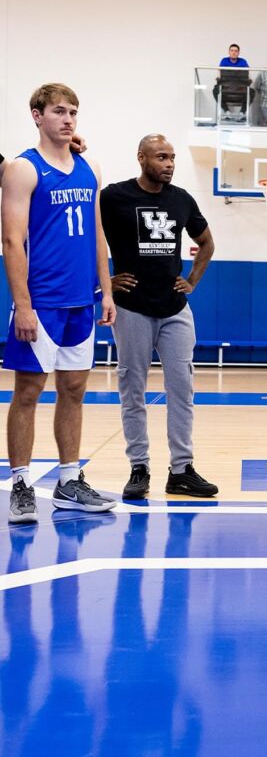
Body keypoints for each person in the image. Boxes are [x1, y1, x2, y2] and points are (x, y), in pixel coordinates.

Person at [2, 83, 117, 524]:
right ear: (37, 116)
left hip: (80, 304)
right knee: (28, 392)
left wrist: (105, 291)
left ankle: (70, 480)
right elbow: (12, 241)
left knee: (74, 390)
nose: (68, 119)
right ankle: (21, 484)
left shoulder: (90, 168)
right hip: (42, 302)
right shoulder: (22, 169)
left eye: (73, 112)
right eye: (58, 111)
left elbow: (98, 235)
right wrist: (23, 304)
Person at [100, 134, 217, 500]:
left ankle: (181, 469)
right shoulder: (114, 197)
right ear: (141, 158)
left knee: (181, 388)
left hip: (174, 308)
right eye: (161, 157)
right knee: (132, 389)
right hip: (131, 306)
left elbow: (207, 242)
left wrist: (192, 281)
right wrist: (103, 280)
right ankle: (139, 467)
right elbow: (87, 239)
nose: (169, 164)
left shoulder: (181, 199)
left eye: (172, 157)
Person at [213, 43, 253, 120]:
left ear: (238, 53)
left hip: (240, 91)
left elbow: (248, 76)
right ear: (229, 52)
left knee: (252, 92)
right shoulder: (224, 61)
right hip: (226, 90)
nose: (234, 52)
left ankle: (242, 113)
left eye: (236, 51)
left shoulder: (243, 61)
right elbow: (218, 76)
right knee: (215, 90)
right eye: (232, 50)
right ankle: (227, 111)